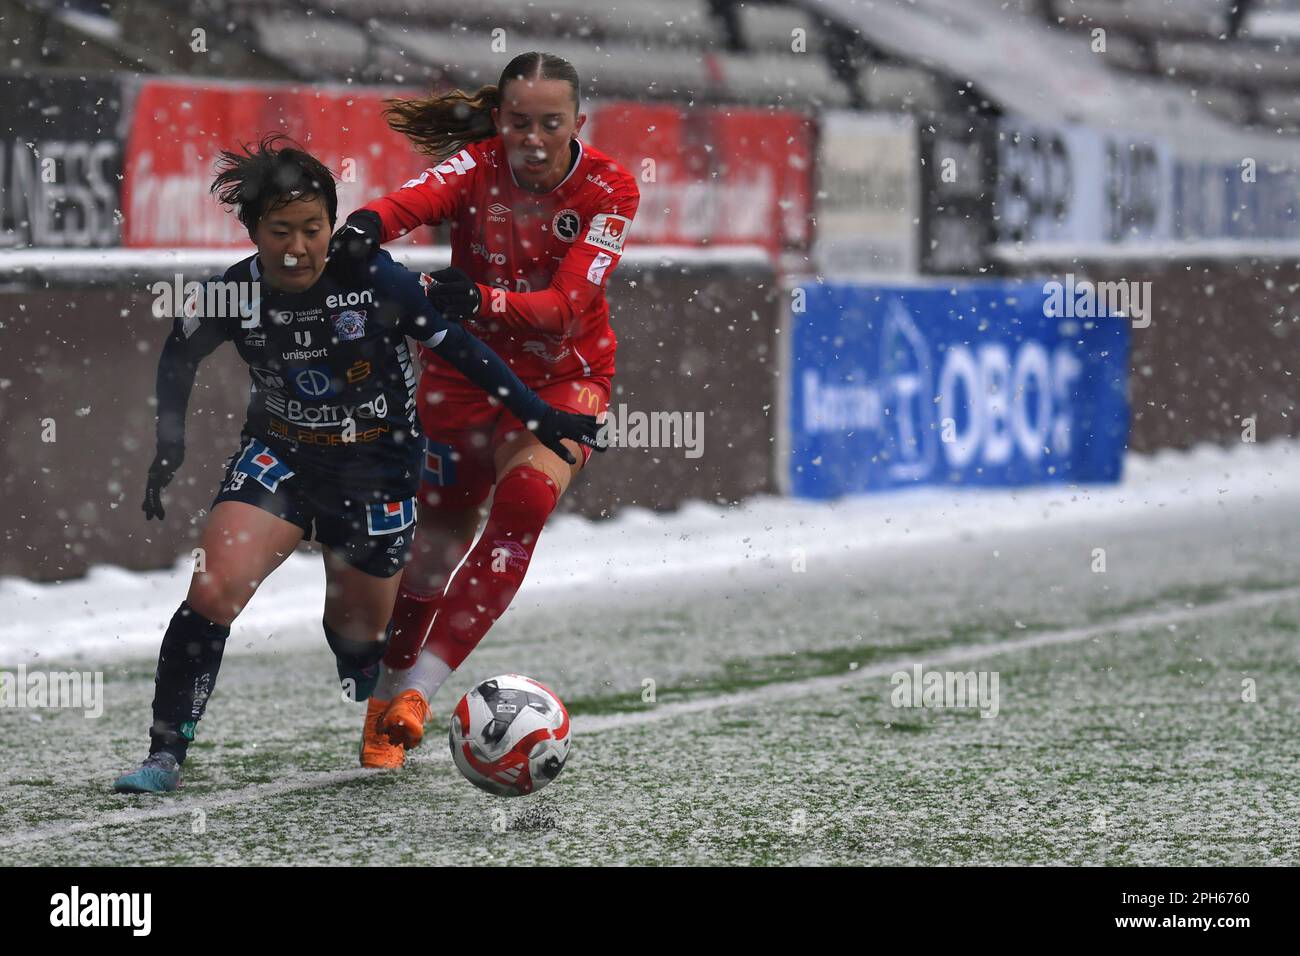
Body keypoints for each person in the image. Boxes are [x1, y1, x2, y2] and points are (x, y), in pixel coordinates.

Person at [112, 135, 601, 794]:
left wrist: (536, 414)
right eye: (279, 230)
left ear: (331, 226)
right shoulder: (235, 292)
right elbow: (179, 354)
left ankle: (360, 665)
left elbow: (457, 346)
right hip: (278, 457)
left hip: (378, 471)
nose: (296, 247)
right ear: (252, 230)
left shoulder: (376, 281)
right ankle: (166, 751)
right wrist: (168, 446)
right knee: (212, 590)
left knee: (358, 645)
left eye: (312, 229)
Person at [328, 51, 640, 768]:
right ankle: (385, 701)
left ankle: (421, 693)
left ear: (578, 124)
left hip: (566, 380)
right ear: (499, 119)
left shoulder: (611, 187)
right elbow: (409, 201)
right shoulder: (476, 165)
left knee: (526, 499)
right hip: (463, 378)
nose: (533, 139)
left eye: (551, 124)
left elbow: (568, 309)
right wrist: (365, 227)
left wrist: (483, 300)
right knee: (433, 549)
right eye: (519, 122)